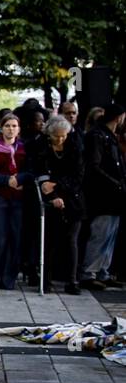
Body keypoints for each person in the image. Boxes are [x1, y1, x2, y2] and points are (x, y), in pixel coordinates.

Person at [28, 115, 85, 294]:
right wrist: (53, 195)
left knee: (71, 241)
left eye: (63, 136)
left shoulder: (75, 147)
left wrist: (58, 185)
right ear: (49, 134)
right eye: (56, 136)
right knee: (48, 241)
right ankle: (46, 279)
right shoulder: (41, 148)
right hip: (48, 199)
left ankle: (72, 280)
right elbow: (40, 176)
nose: (60, 139)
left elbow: (78, 175)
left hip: (73, 199)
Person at [81, 103, 126, 289]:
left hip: (114, 195)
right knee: (100, 232)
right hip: (103, 194)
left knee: (110, 233)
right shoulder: (97, 136)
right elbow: (94, 165)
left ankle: (103, 271)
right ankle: (89, 272)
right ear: (119, 117)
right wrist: (115, 183)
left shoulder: (110, 136)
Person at [0, 113, 28, 290]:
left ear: (18, 129)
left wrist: (20, 180)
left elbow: (31, 169)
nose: (11, 129)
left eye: (14, 126)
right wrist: (6, 180)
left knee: (15, 237)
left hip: (18, 197)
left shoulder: (23, 148)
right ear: (1, 128)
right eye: (8, 125)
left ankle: (9, 279)